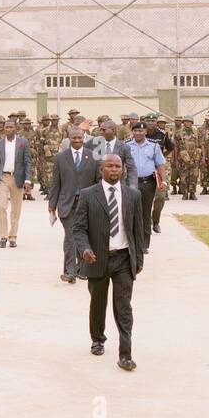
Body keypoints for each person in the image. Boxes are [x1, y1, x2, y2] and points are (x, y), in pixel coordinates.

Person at [71, 153, 145, 371]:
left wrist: (138, 258)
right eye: (109, 166)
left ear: (123, 169)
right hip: (97, 258)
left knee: (124, 307)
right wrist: (84, 249)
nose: (114, 170)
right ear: (101, 170)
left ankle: (126, 354)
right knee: (98, 302)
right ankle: (97, 338)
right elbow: (79, 228)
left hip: (123, 259)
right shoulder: (88, 195)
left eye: (117, 166)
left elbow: (138, 230)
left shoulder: (133, 195)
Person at [47, 125, 98, 283]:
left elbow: (98, 182)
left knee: (83, 236)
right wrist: (51, 206)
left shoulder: (93, 156)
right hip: (67, 204)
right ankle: (70, 272)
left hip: (87, 204)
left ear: (84, 138)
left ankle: (82, 268)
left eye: (79, 138)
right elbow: (56, 183)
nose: (77, 141)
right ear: (68, 139)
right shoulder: (60, 157)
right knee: (70, 237)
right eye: (74, 138)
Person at [0, 119, 32, 249]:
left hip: (18, 178)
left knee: (16, 209)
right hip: (3, 177)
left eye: (10, 127)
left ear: (15, 128)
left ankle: (13, 236)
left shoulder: (23, 143)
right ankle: (3, 236)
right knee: (1, 207)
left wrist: (28, 180)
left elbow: (27, 162)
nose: (8, 129)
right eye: (6, 127)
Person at [127, 122, 166, 248]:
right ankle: (132, 242)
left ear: (145, 132)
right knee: (131, 213)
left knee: (145, 213)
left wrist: (163, 181)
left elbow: (160, 164)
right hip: (131, 183)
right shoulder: (126, 145)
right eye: (136, 131)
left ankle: (144, 244)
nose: (138, 133)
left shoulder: (153, 146)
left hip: (148, 183)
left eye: (141, 131)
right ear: (132, 132)